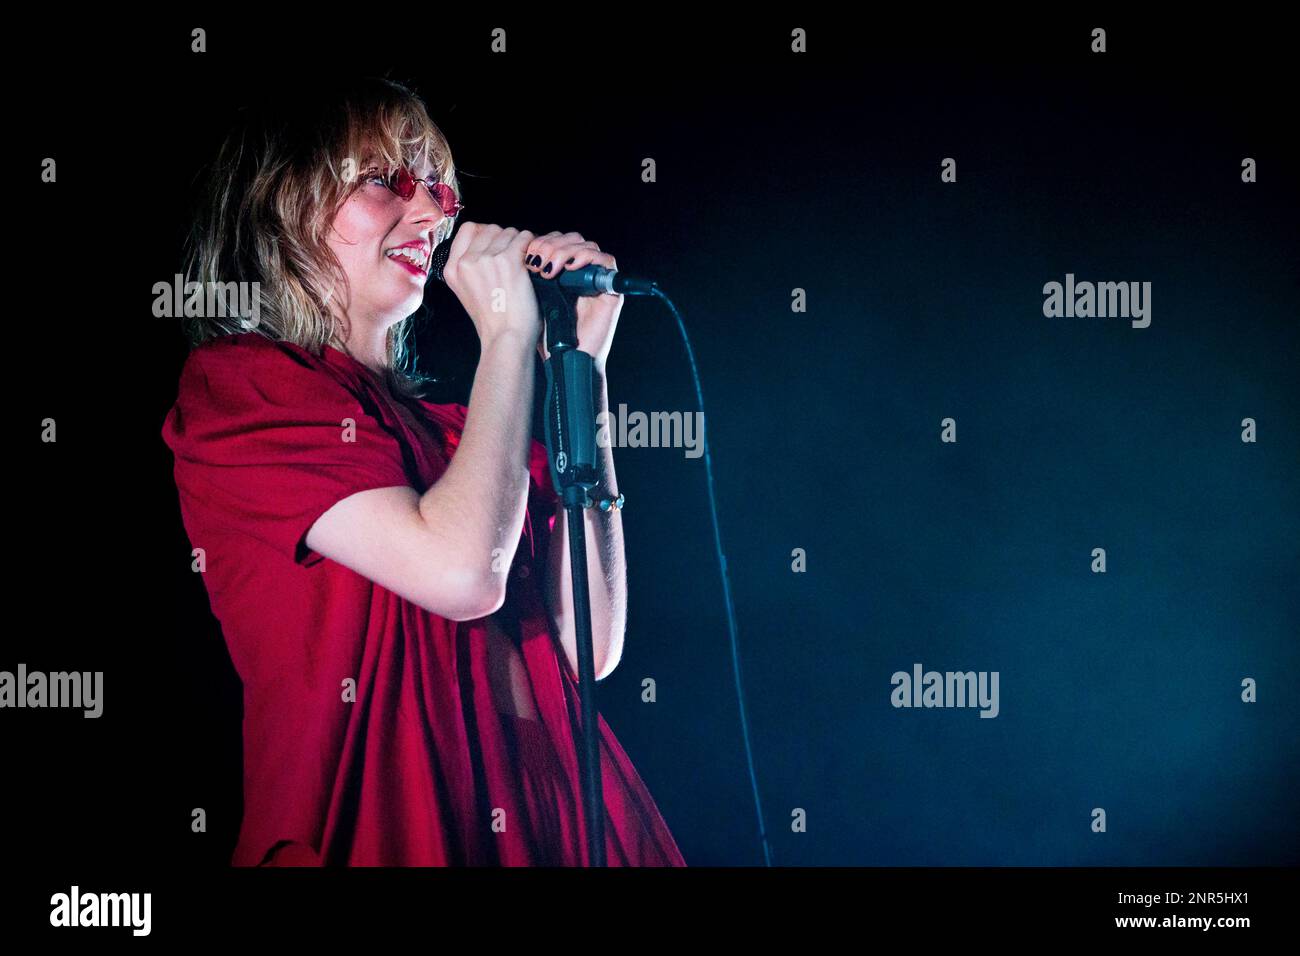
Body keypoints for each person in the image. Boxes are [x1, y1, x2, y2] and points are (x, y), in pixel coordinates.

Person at [160, 76, 685, 866]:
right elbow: (462, 572)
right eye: (385, 181)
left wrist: (581, 369)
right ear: (279, 201)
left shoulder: (463, 436)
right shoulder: (243, 390)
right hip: (400, 824)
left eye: (439, 187)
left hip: (555, 816)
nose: (437, 213)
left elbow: (587, 644)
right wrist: (507, 341)